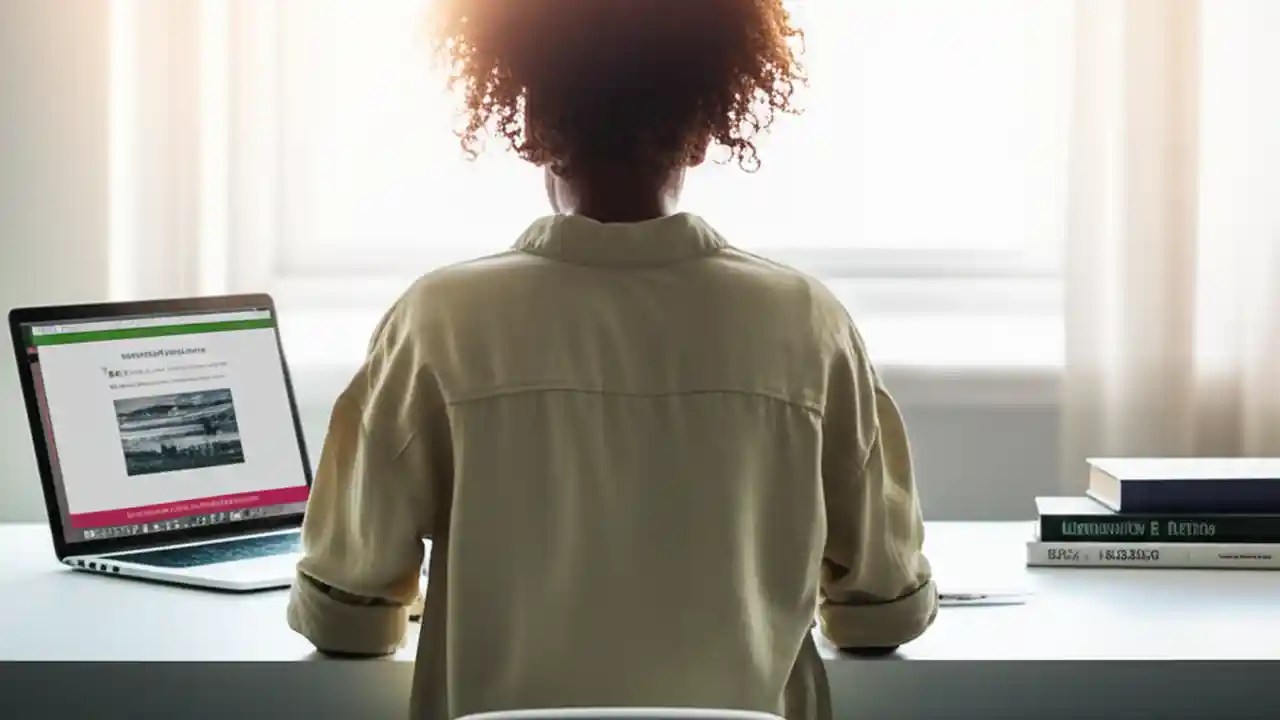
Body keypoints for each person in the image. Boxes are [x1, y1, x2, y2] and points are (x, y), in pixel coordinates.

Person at [286, 1, 937, 718]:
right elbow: (886, 611)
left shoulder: (435, 320)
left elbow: (346, 615)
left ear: (533, 127)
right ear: (703, 131)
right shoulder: (810, 324)